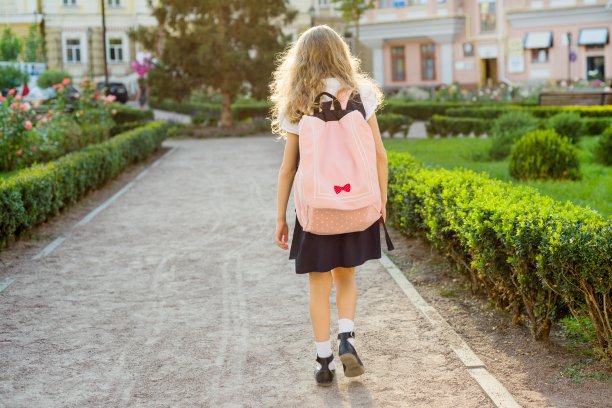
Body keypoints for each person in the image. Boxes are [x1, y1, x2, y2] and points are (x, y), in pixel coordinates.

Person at [270, 25, 392, 386]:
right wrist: (380, 202)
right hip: (357, 205)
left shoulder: (297, 100)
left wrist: (280, 217)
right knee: (347, 275)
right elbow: (380, 157)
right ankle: (347, 337)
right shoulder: (361, 94)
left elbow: (288, 168)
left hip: (316, 210)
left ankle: (324, 362)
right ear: (341, 53)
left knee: (319, 284)